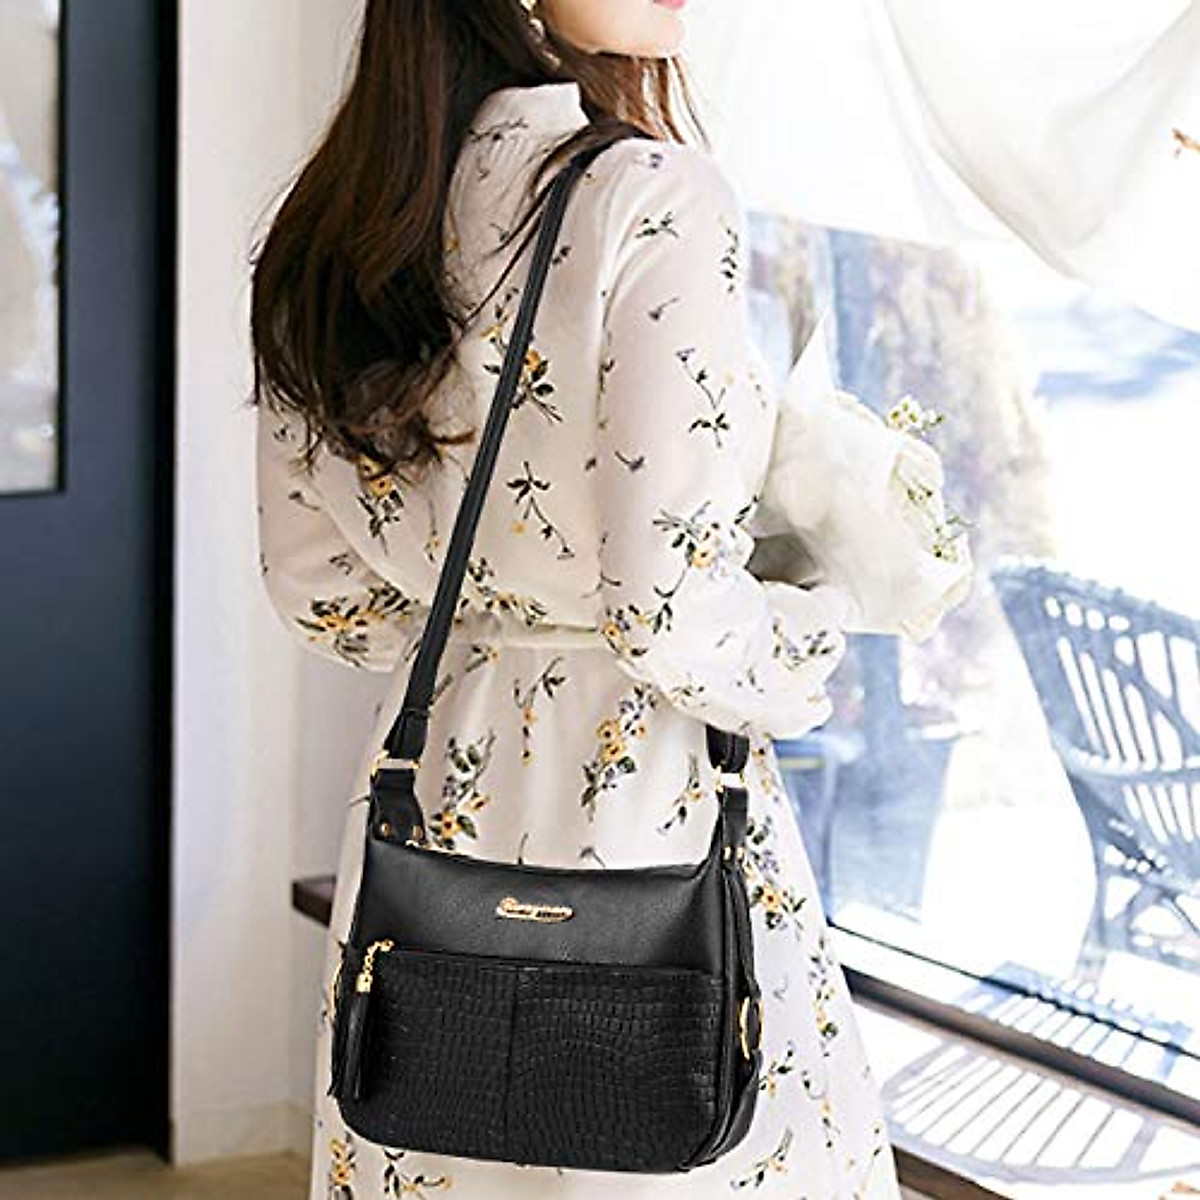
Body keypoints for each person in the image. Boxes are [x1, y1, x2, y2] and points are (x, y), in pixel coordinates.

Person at [251, 1, 906, 1195]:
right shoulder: (649, 196)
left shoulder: (333, 221)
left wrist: (486, 622)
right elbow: (668, 613)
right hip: (644, 793)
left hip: (438, 786)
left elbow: (321, 597)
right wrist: (816, 625)